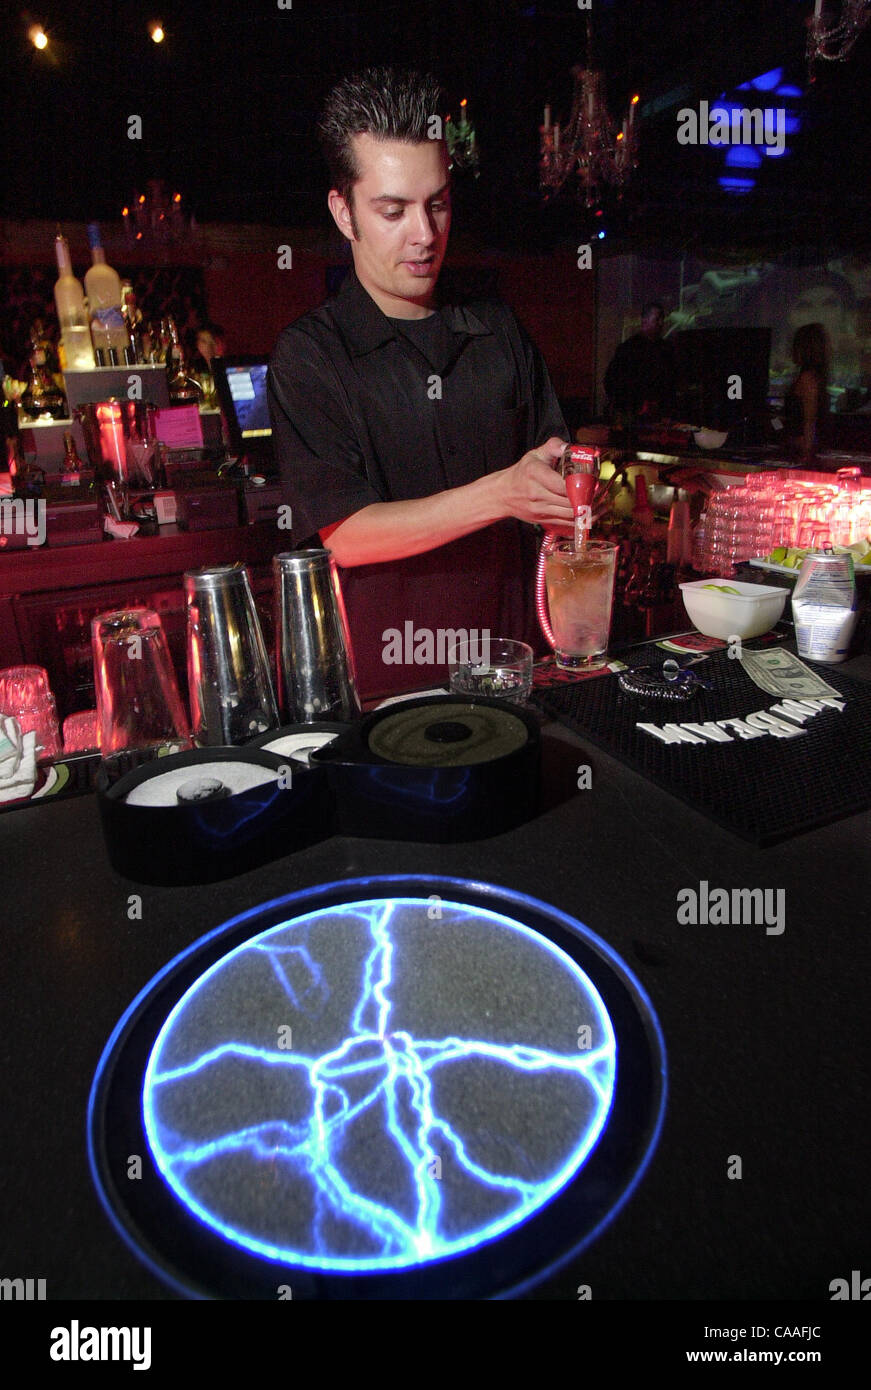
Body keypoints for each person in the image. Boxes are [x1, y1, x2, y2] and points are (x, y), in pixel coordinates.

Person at [267, 67, 572, 699]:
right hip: (390, 688)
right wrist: (501, 493)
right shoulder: (311, 355)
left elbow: (554, 465)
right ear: (343, 212)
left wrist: (572, 493)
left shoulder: (496, 328)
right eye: (393, 210)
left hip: (515, 670)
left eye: (437, 204)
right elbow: (344, 534)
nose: (425, 234)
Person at [603, 302, 677, 424]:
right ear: (644, 320)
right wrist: (634, 405)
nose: (661, 323)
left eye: (662, 319)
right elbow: (611, 381)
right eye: (657, 319)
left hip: (661, 415)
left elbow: (670, 381)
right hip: (633, 416)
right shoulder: (628, 348)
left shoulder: (666, 349)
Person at [784, 321, 830, 462]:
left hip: (801, 447)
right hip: (800, 445)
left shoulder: (807, 378)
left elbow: (809, 420)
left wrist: (806, 453)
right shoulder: (811, 377)